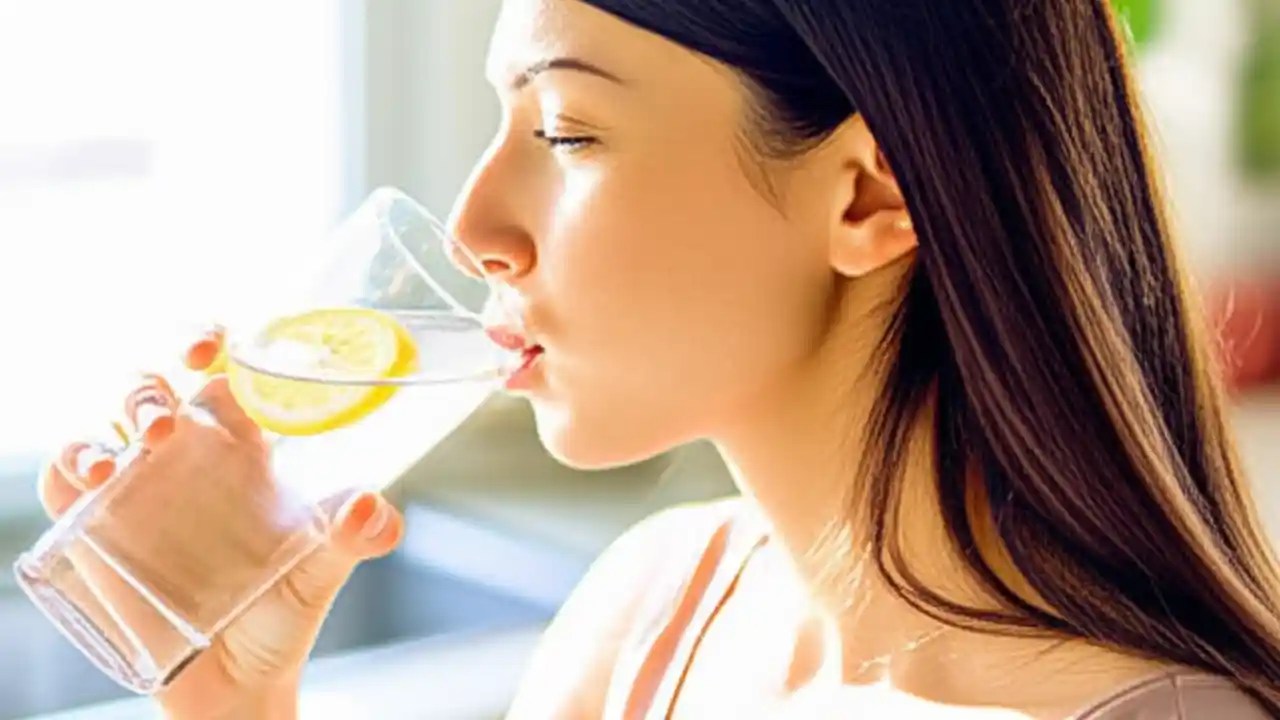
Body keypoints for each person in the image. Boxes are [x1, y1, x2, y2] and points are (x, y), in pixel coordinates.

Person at [38, 0, 1280, 717]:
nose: (472, 227)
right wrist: (237, 699)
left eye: (565, 132)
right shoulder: (655, 606)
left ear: (867, 194)